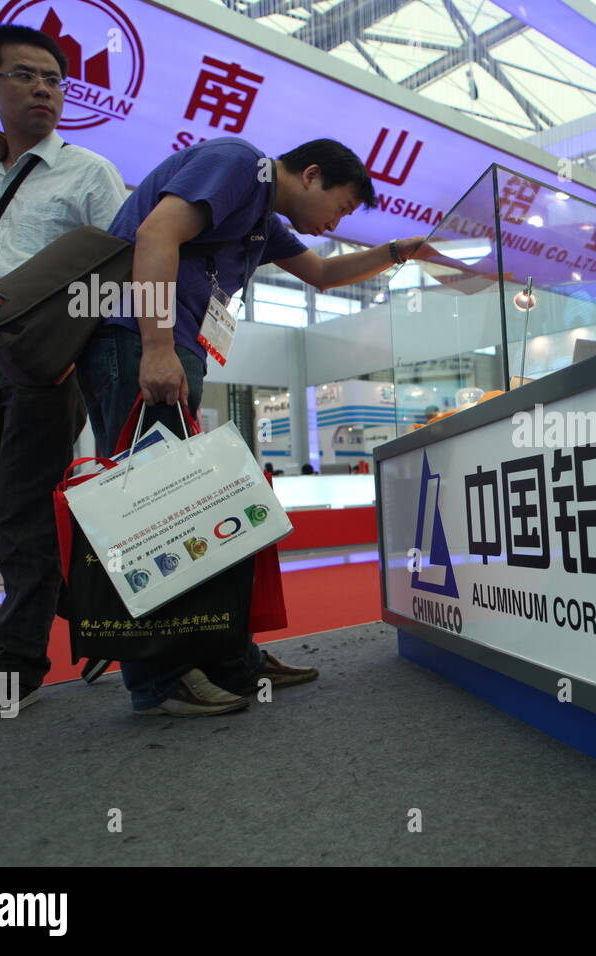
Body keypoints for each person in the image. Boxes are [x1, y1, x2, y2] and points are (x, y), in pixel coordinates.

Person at [77, 134, 434, 717]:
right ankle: (160, 675)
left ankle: (227, 659)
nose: (336, 220)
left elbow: (320, 273)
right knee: (148, 509)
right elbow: (156, 233)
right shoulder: (239, 163)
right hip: (132, 336)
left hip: (171, 342)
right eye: (342, 206)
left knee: (196, 506)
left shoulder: (265, 220)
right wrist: (158, 346)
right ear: (312, 174)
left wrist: (399, 251)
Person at [0, 24, 127, 720]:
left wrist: (83, 359)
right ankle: (102, 615)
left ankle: (17, 661)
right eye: (25, 76)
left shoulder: (89, 171)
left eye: (55, 79)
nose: (44, 89)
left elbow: (122, 268)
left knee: (22, 510)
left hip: (47, 358)